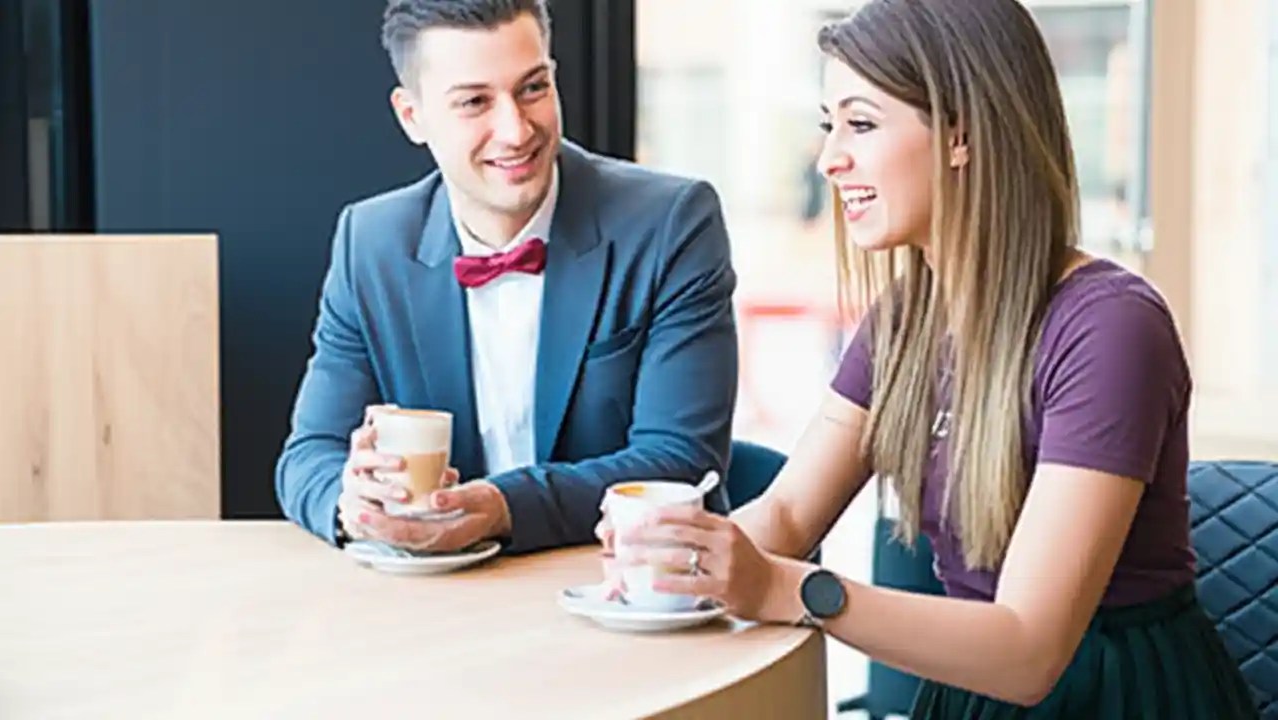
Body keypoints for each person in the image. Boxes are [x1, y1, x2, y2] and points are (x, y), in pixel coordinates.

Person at [603, 1, 1257, 717]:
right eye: (829, 125)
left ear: (961, 134)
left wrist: (782, 589)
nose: (828, 159)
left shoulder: (1110, 330)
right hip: (972, 686)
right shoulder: (904, 325)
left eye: (861, 123)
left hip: (1112, 696)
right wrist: (675, 555)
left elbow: (1030, 650)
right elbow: (788, 513)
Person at [276, 0, 736, 556]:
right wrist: (351, 500)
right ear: (412, 117)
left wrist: (501, 508)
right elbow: (308, 455)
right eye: (474, 101)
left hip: (621, 582)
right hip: (439, 607)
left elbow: (682, 460)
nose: (516, 131)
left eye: (533, 88)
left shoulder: (671, 223)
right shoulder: (370, 243)